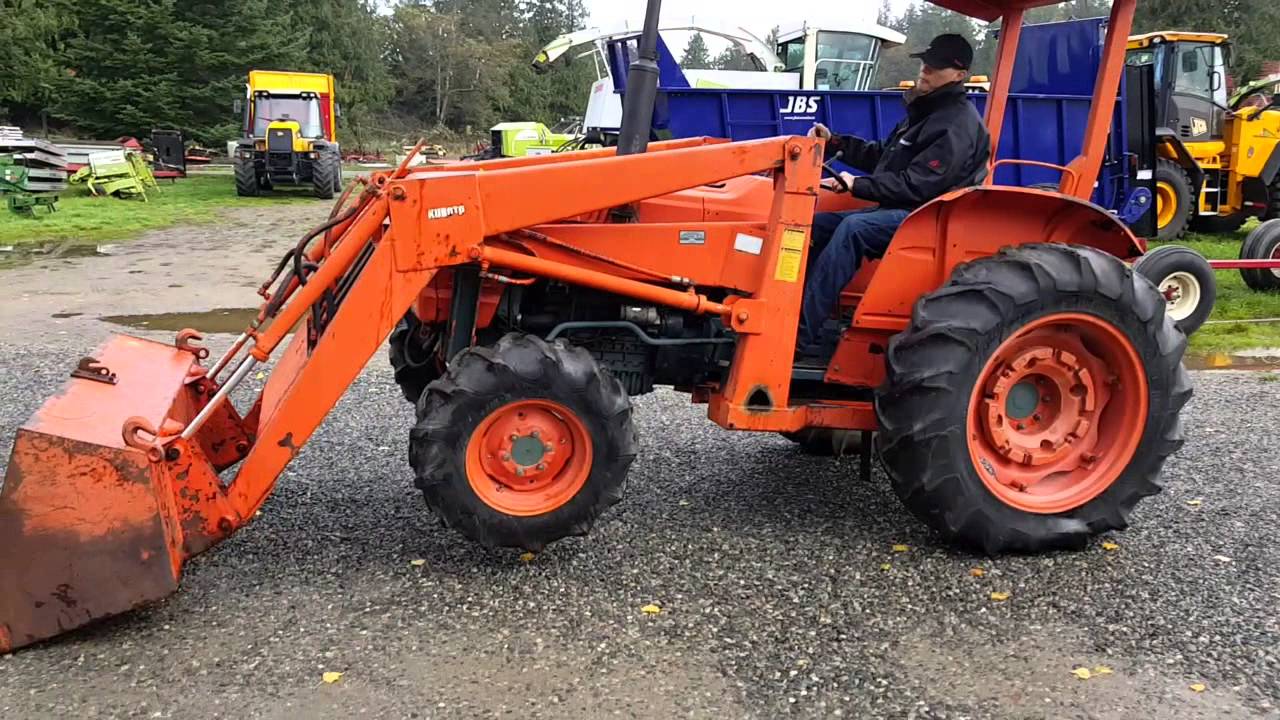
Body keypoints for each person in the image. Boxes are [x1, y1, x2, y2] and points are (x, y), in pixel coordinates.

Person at [797, 33, 992, 359]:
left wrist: (858, 185)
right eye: (926, 62)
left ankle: (797, 336)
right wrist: (835, 143)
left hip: (928, 218)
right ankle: (794, 312)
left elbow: (918, 186)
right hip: (903, 209)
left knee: (854, 229)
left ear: (959, 75)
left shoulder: (957, 125)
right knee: (816, 226)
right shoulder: (925, 113)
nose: (926, 69)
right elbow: (883, 157)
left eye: (937, 66)